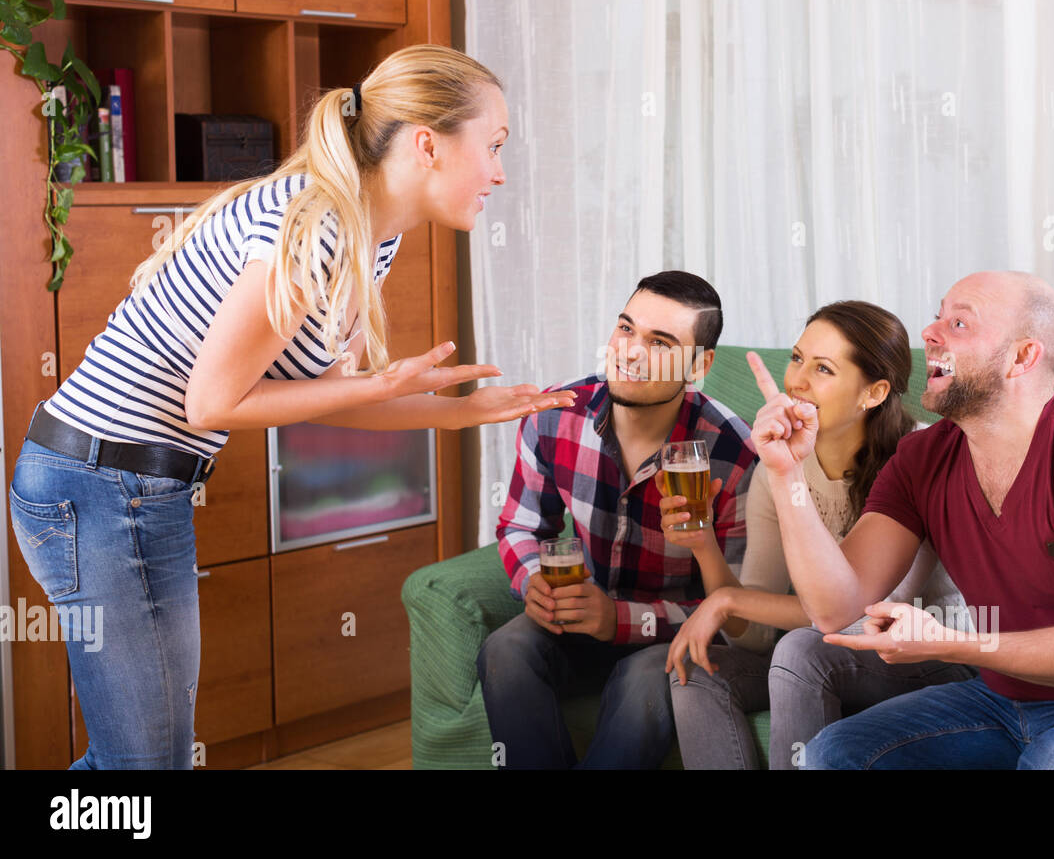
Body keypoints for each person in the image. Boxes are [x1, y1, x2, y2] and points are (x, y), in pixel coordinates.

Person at [7, 45, 576, 770]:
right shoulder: (319, 225)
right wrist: (378, 384)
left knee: (146, 762)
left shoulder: (371, 233)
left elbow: (322, 399)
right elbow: (211, 399)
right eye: (492, 146)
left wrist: (462, 410)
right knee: (141, 767)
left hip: (134, 488)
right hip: (97, 485)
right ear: (429, 143)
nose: (499, 171)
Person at [746, 270, 1054, 770]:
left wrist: (948, 643)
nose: (929, 333)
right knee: (835, 754)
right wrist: (785, 472)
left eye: (959, 324)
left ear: (1022, 357)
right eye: (936, 317)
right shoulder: (919, 459)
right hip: (1001, 699)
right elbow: (834, 607)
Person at [659, 301, 973, 770]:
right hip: (832, 656)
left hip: (933, 659)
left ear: (874, 393)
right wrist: (704, 545)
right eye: (797, 358)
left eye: (822, 368)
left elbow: (865, 618)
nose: (797, 380)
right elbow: (756, 635)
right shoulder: (776, 467)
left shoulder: (920, 454)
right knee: (696, 669)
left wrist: (725, 601)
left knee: (800, 649)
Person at [477, 271, 758, 769]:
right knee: (506, 649)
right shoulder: (554, 414)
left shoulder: (734, 455)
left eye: (659, 343)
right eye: (626, 329)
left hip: (675, 631)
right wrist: (534, 581)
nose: (628, 352)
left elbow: (741, 613)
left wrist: (619, 619)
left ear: (699, 365)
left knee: (647, 678)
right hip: (579, 617)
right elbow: (521, 525)